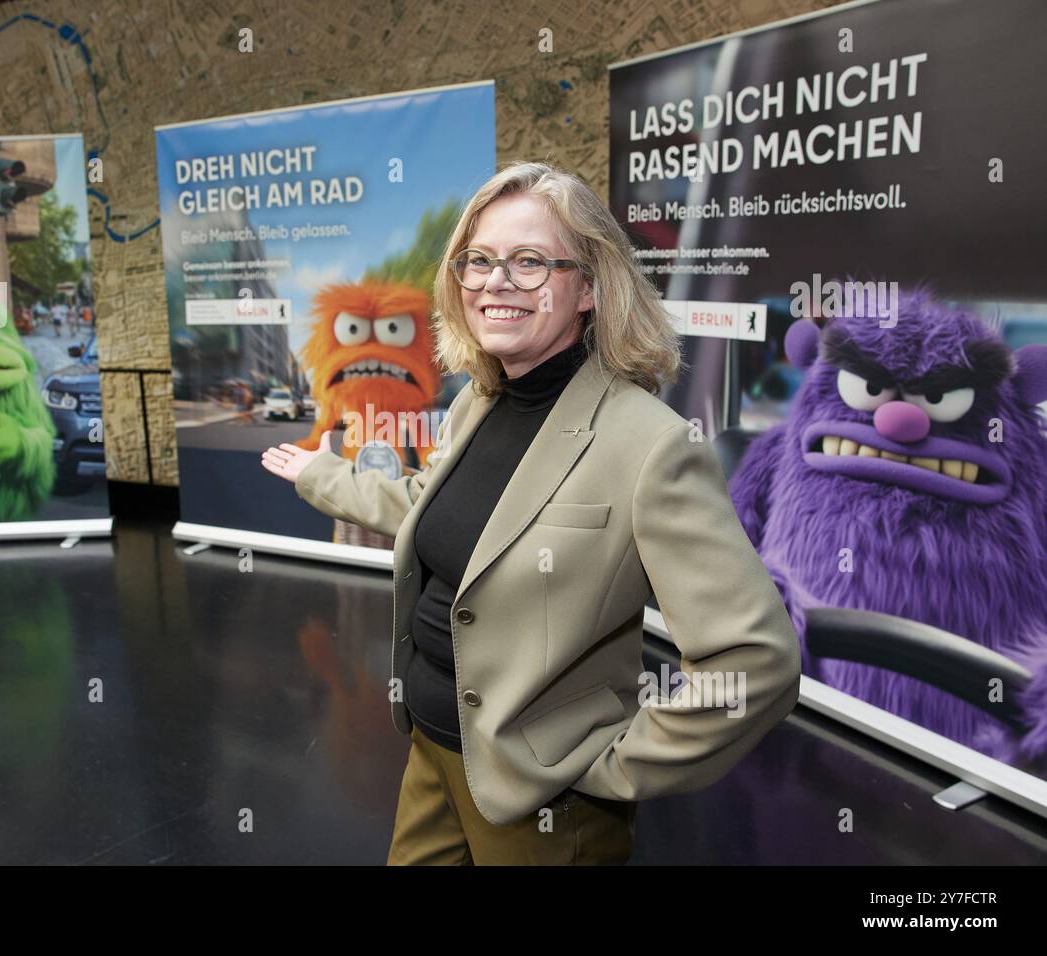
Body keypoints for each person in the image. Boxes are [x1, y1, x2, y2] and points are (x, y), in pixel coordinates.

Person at [261, 161, 801, 865]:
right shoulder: (477, 401)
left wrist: (608, 770)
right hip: (432, 750)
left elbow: (756, 661)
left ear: (588, 286)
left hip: (543, 805)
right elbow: (433, 512)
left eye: (529, 263)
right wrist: (324, 475)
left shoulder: (650, 446)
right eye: (478, 261)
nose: (495, 283)